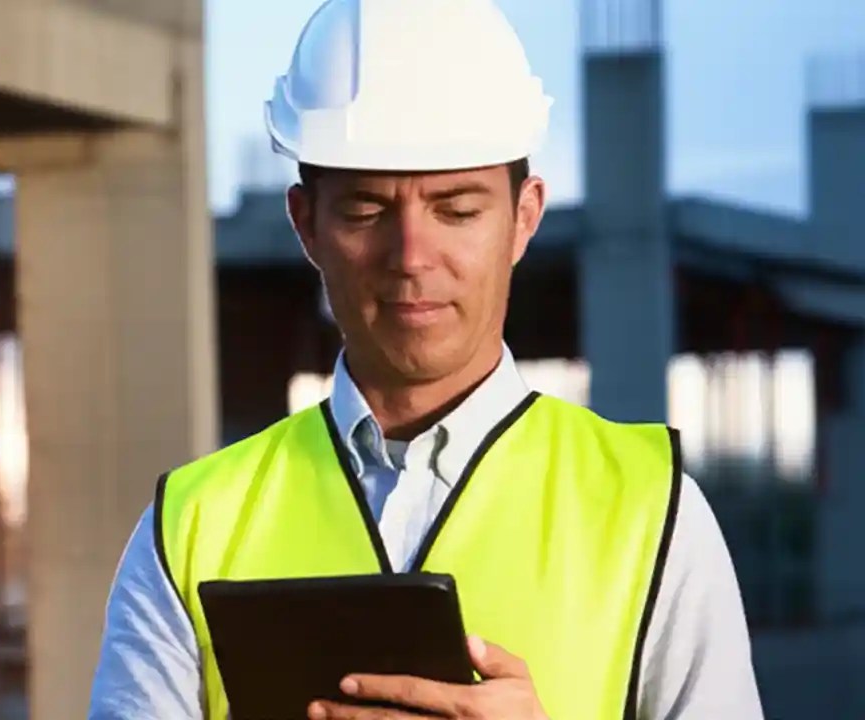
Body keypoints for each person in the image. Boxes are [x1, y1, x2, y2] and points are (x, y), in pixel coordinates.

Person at [88, 0, 764, 718]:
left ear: (524, 217)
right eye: (366, 211)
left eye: (457, 210)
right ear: (305, 223)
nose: (411, 258)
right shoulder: (188, 529)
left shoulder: (653, 513)